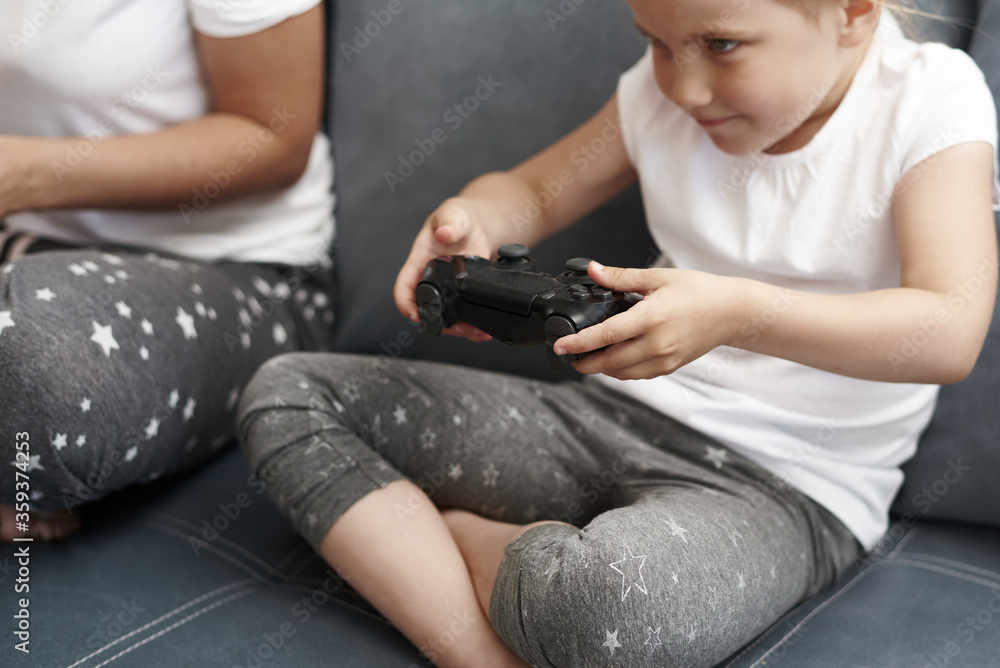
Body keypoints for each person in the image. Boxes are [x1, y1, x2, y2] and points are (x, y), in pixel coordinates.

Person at [236, 0, 1000, 666]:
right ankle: (489, 649)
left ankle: (440, 539)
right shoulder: (660, 94)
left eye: (722, 45)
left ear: (853, 10)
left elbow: (947, 327)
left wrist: (736, 314)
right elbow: (531, 191)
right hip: (602, 420)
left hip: (785, 490)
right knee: (289, 391)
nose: (685, 87)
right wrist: (478, 219)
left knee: (597, 611)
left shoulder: (930, 99)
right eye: (656, 42)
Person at [0, 0, 337, 542]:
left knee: (29, 365)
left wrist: (23, 176)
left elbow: (274, 135)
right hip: (26, 244)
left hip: (229, 268)